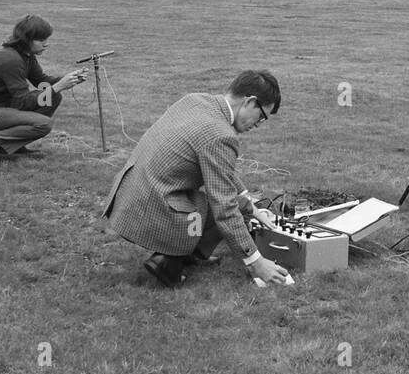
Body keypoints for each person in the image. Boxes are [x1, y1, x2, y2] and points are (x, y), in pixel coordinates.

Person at [101, 70, 290, 289]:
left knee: (236, 204)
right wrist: (256, 262)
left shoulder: (194, 101)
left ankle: (186, 254)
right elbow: (225, 208)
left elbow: (219, 170)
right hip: (153, 209)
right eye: (262, 117)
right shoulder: (220, 135)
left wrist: (251, 203)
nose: (258, 125)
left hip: (130, 195)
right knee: (232, 208)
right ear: (250, 102)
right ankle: (169, 262)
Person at [0, 14, 87, 161]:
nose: (46, 44)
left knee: (52, 97)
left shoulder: (25, 55)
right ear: (26, 39)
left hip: (3, 107)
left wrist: (69, 79)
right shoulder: (10, 59)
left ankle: (9, 148)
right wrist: (59, 86)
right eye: (41, 40)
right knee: (43, 124)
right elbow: (23, 101)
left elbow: (41, 81)